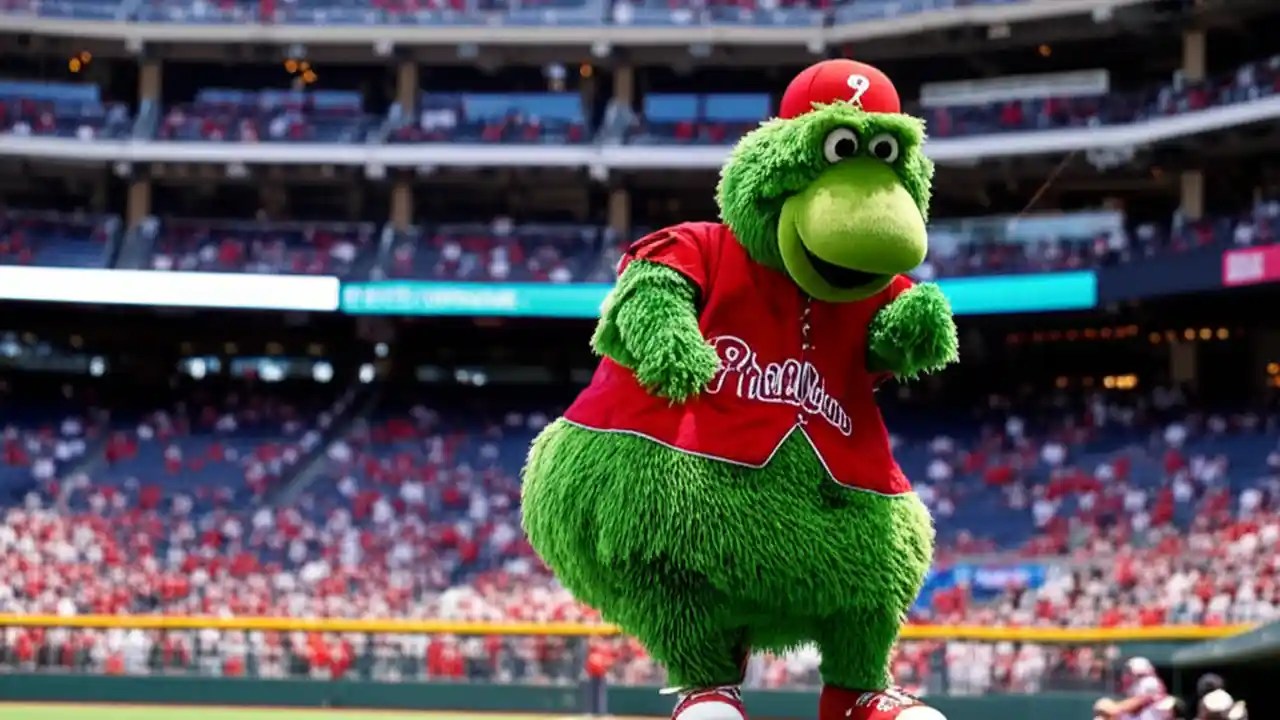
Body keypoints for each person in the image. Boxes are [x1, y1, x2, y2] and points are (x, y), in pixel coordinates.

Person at [1093, 657, 1175, 720]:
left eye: (1130, 671)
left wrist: (1115, 707)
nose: (1127, 675)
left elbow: (1138, 701)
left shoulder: (1150, 681)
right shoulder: (1136, 686)